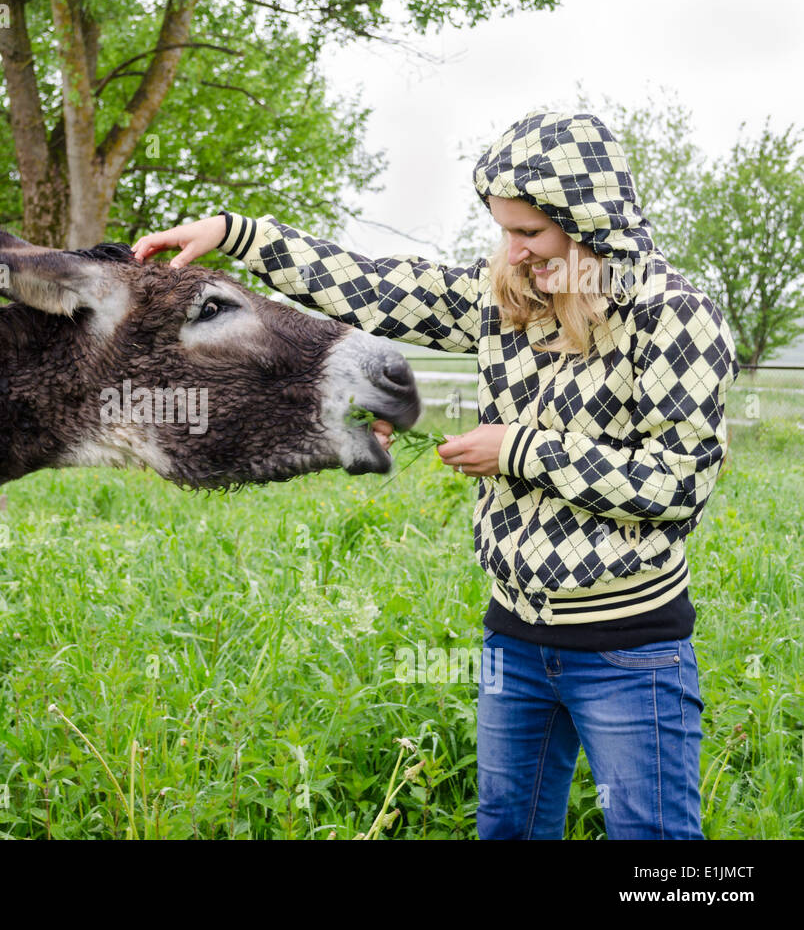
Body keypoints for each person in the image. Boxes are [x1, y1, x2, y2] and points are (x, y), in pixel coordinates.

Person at [132, 110, 739, 840]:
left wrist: (518, 449)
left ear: (590, 223)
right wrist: (239, 236)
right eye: (504, 231)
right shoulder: (505, 300)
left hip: (628, 648)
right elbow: (371, 286)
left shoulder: (674, 317)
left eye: (531, 234)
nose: (512, 253)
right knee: (506, 829)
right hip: (513, 639)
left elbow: (679, 484)